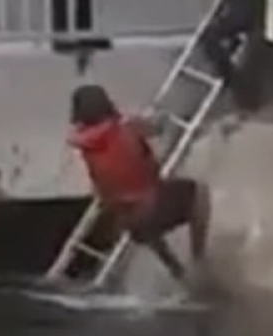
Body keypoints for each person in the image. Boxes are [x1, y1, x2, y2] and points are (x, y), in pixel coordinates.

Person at [67, 84, 212, 287]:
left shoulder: (86, 144)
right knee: (200, 192)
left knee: (147, 228)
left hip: (129, 222)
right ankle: (200, 263)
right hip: (150, 206)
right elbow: (157, 128)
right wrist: (160, 116)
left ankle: (177, 272)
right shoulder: (127, 127)